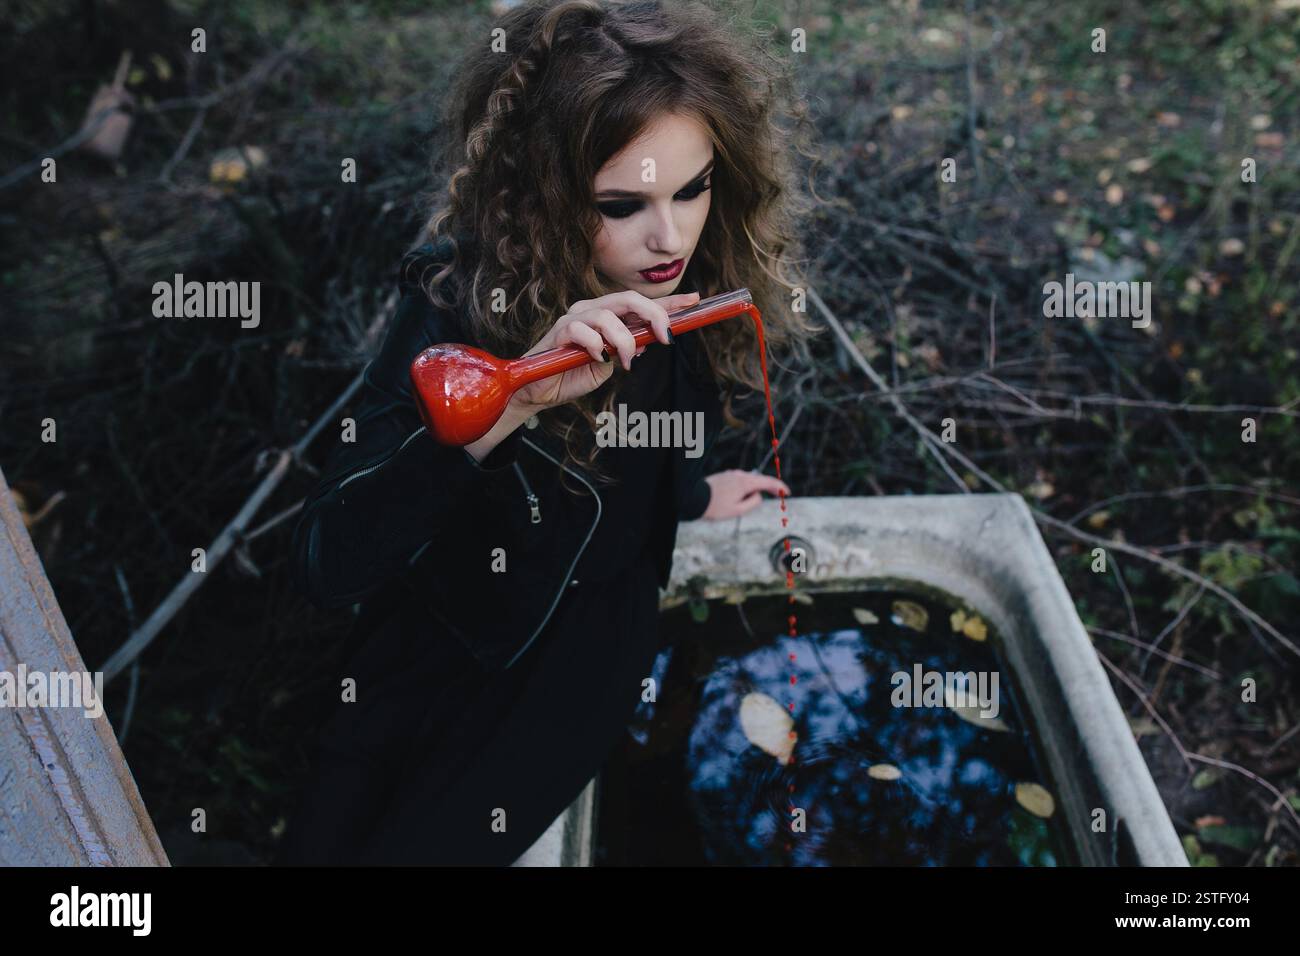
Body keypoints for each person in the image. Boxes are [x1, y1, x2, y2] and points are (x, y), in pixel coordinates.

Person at [276, 0, 819, 866]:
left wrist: (694, 494)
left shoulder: (699, 277)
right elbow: (325, 560)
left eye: (693, 187)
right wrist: (518, 400)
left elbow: (672, 433)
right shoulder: (454, 305)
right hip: (448, 652)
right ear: (545, 192)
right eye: (621, 203)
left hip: (588, 661)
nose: (669, 235)